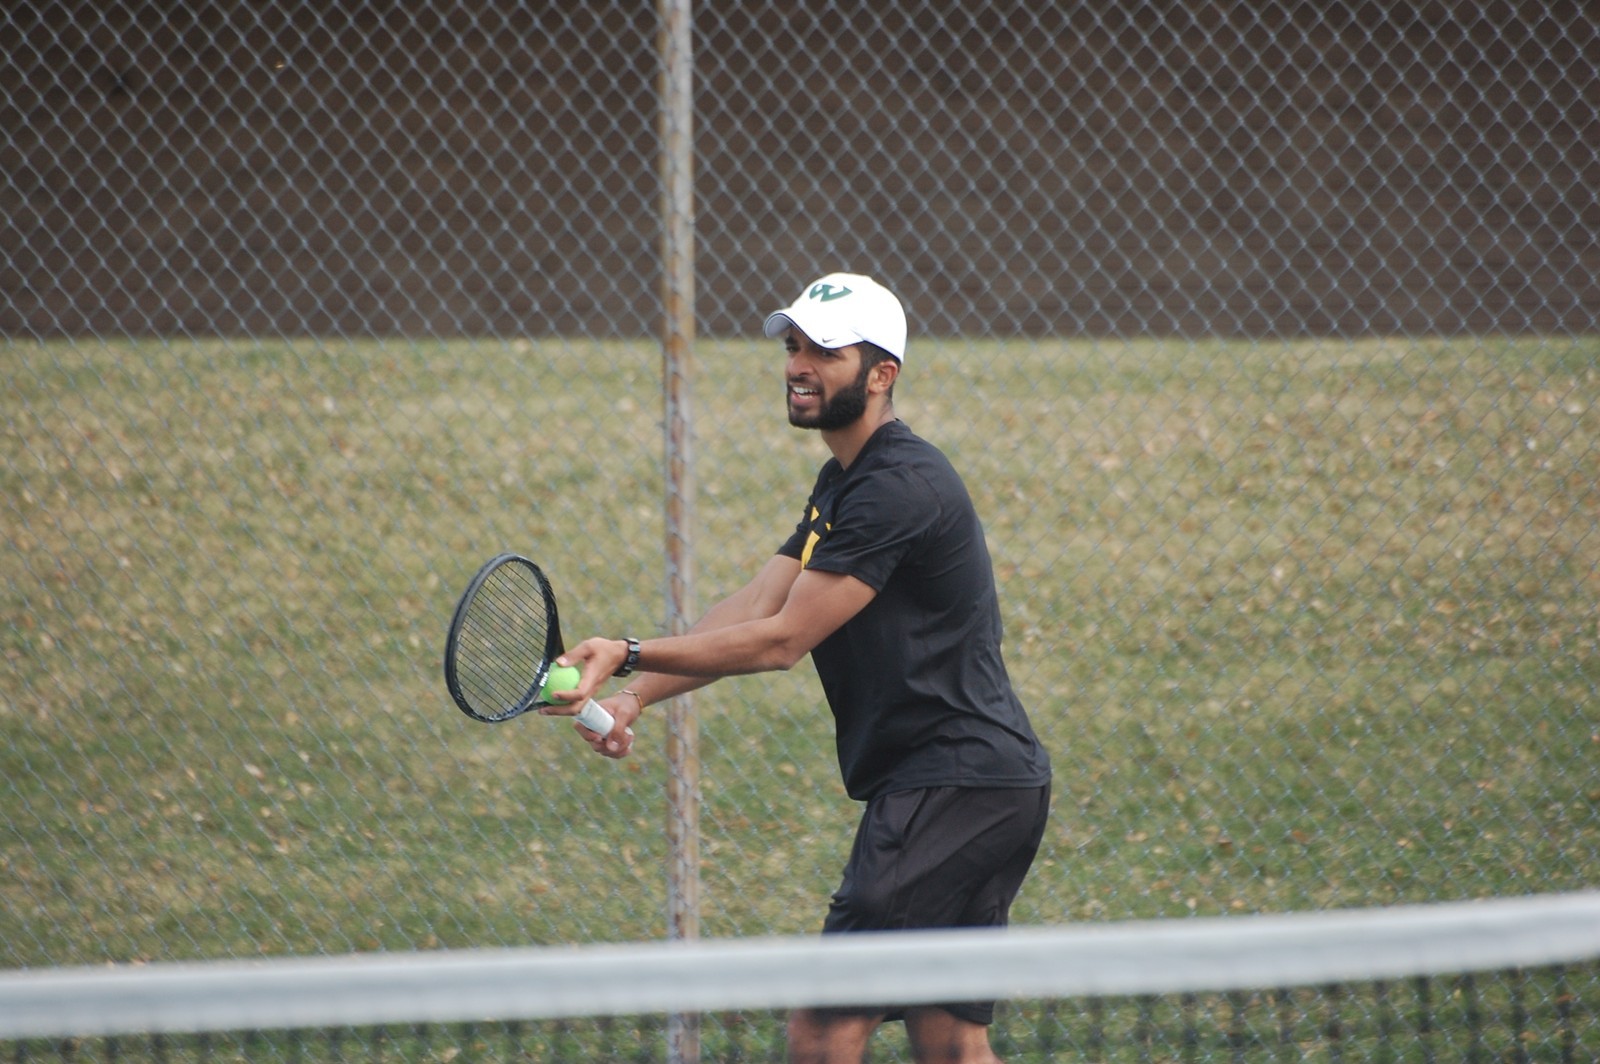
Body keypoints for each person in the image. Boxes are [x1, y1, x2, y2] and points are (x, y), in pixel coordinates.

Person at [551, 272, 1052, 1064]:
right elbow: (757, 603)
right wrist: (635, 698)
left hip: (952, 785)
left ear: (881, 374)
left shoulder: (897, 488)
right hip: (985, 786)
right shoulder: (844, 483)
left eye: (825, 350)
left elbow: (781, 641)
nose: (798, 364)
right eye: (793, 346)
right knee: (950, 1040)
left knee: (823, 1029)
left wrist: (628, 651)